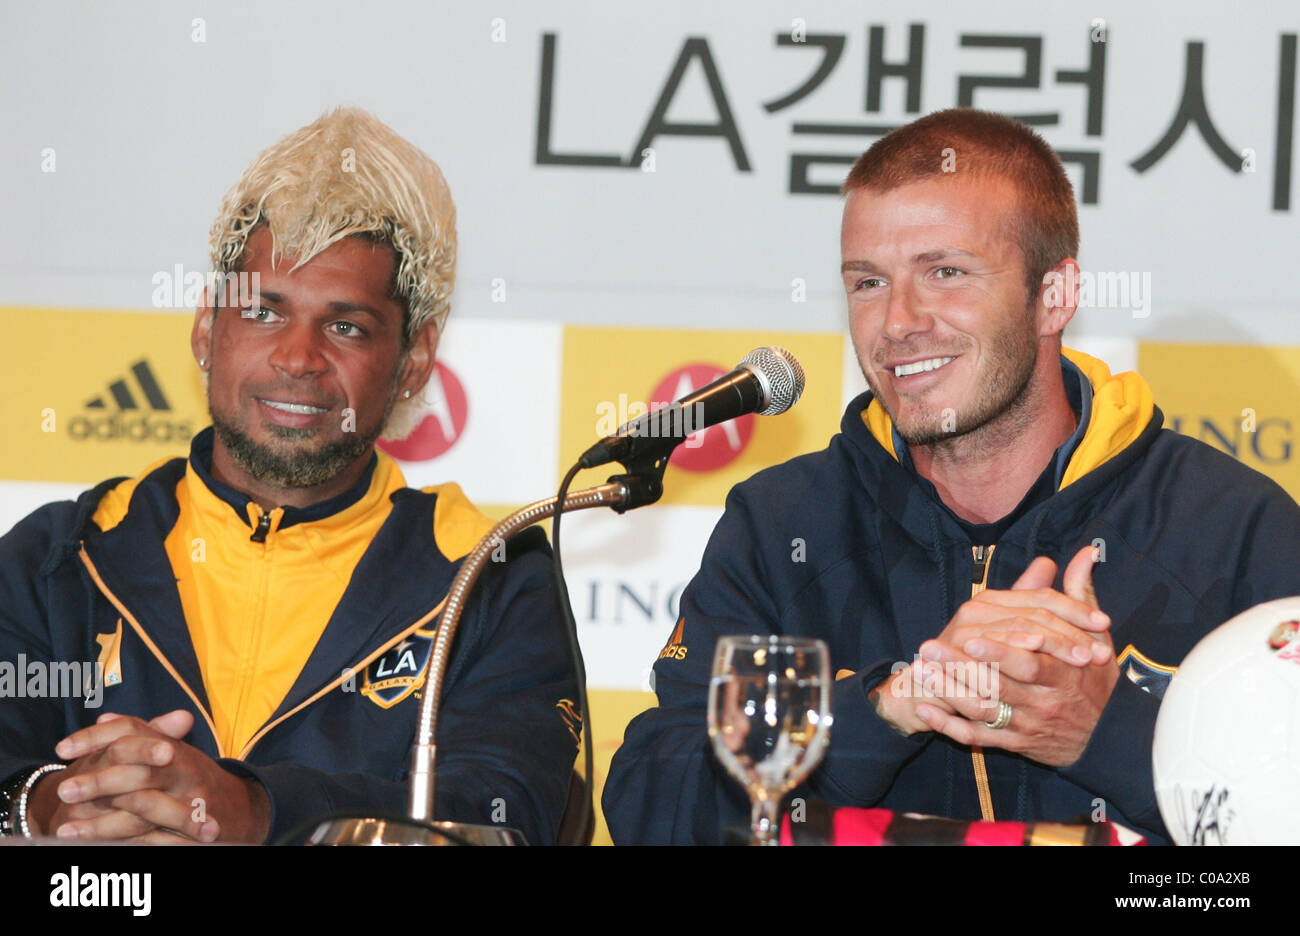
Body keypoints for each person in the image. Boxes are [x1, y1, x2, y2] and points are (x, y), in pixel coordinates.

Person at [602, 108, 1300, 845]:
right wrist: (893, 706)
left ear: (1055, 296)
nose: (898, 321)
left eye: (946, 273)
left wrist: (1105, 734)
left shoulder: (1232, 527)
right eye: (869, 282)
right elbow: (654, 804)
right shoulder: (783, 524)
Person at [0, 108, 579, 845]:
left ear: (415, 361)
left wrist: (263, 811)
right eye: (264, 312)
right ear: (207, 330)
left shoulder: (489, 574)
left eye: (346, 326)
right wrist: (48, 803)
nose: (298, 357)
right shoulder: (63, 557)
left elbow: (507, 813)